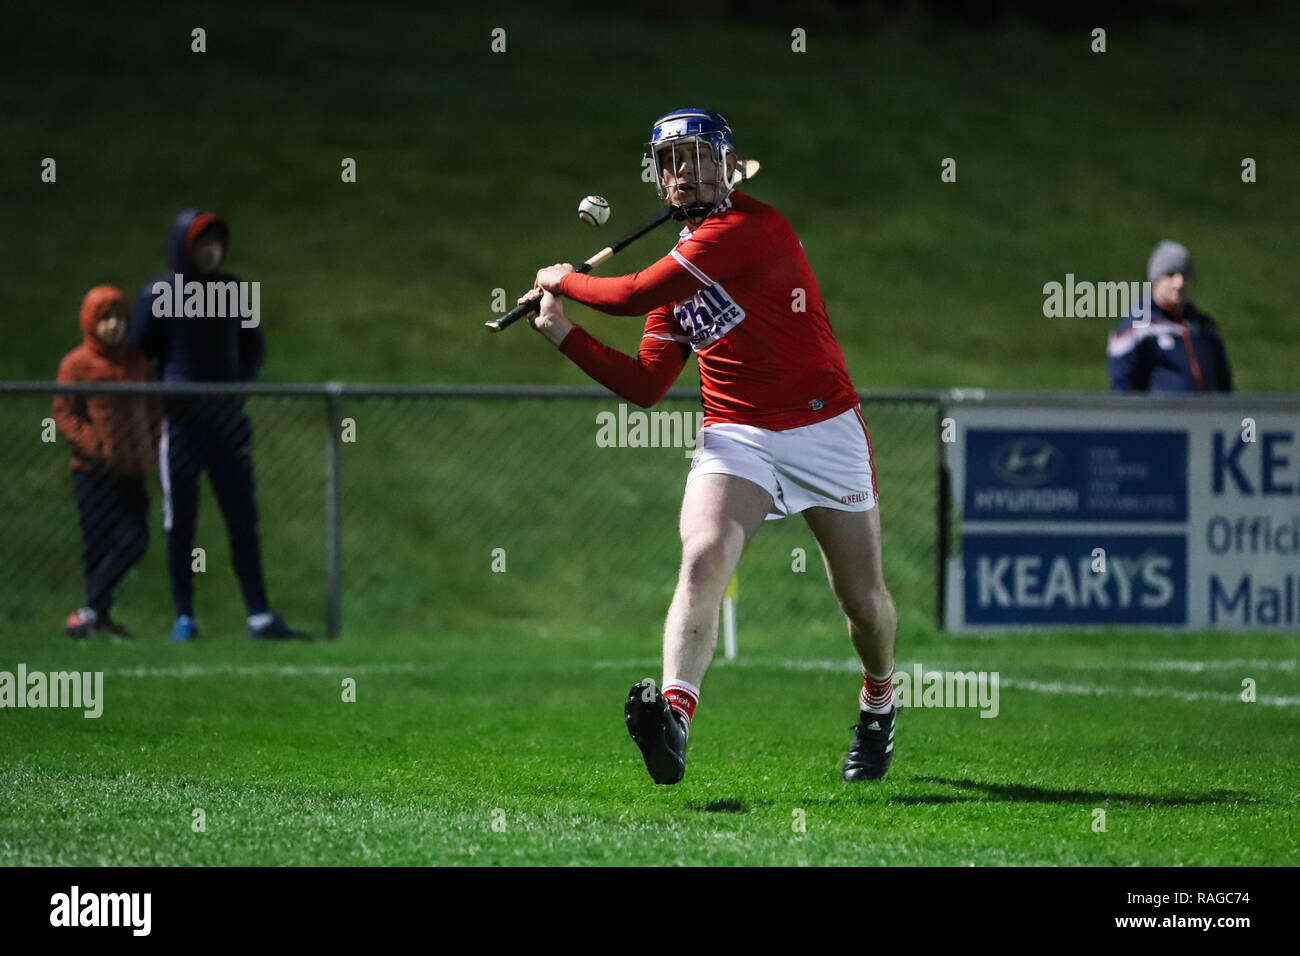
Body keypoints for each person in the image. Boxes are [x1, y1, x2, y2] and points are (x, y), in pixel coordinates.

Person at [522, 108, 898, 784]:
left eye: (699, 157)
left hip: (823, 427)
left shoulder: (749, 228)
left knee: (862, 602)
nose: (685, 172)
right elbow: (646, 383)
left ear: (728, 167)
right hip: (737, 435)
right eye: (672, 162)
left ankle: (879, 705)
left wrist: (560, 280)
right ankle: (674, 720)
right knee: (702, 556)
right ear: (659, 178)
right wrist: (563, 335)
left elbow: (631, 293)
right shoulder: (681, 269)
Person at [130, 209, 301, 641]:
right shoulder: (160, 293)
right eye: (202, 243)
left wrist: (236, 389)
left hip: (226, 423)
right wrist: (166, 393)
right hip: (181, 425)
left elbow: (253, 345)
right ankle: (184, 616)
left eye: (216, 243)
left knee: (242, 516)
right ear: (183, 247)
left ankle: (258, 614)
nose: (211, 252)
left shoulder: (234, 291)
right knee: (180, 523)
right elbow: (139, 350)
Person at [53, 286, 160, 638]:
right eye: (105, 318)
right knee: (97, 544)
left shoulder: (137, 363)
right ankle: (98, 616)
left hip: (130, 470)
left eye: (119, 318)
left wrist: (149, 447)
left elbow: (153, 410)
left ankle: (90, 610)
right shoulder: (76, 364)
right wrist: (94, 446)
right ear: (90, 321)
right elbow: (64, 414)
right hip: (93, 471)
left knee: (134, 539)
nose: (114, 325)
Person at [1108, 240, 1232, 392]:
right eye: (1170, 275)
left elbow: (1224, 382)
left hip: (1209, 408)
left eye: (1185, 275)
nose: (1179, 283)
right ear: (1156, 279)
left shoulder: (1205, 327)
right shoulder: (1136, 328)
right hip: (1160, 408)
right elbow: (1122, 387)